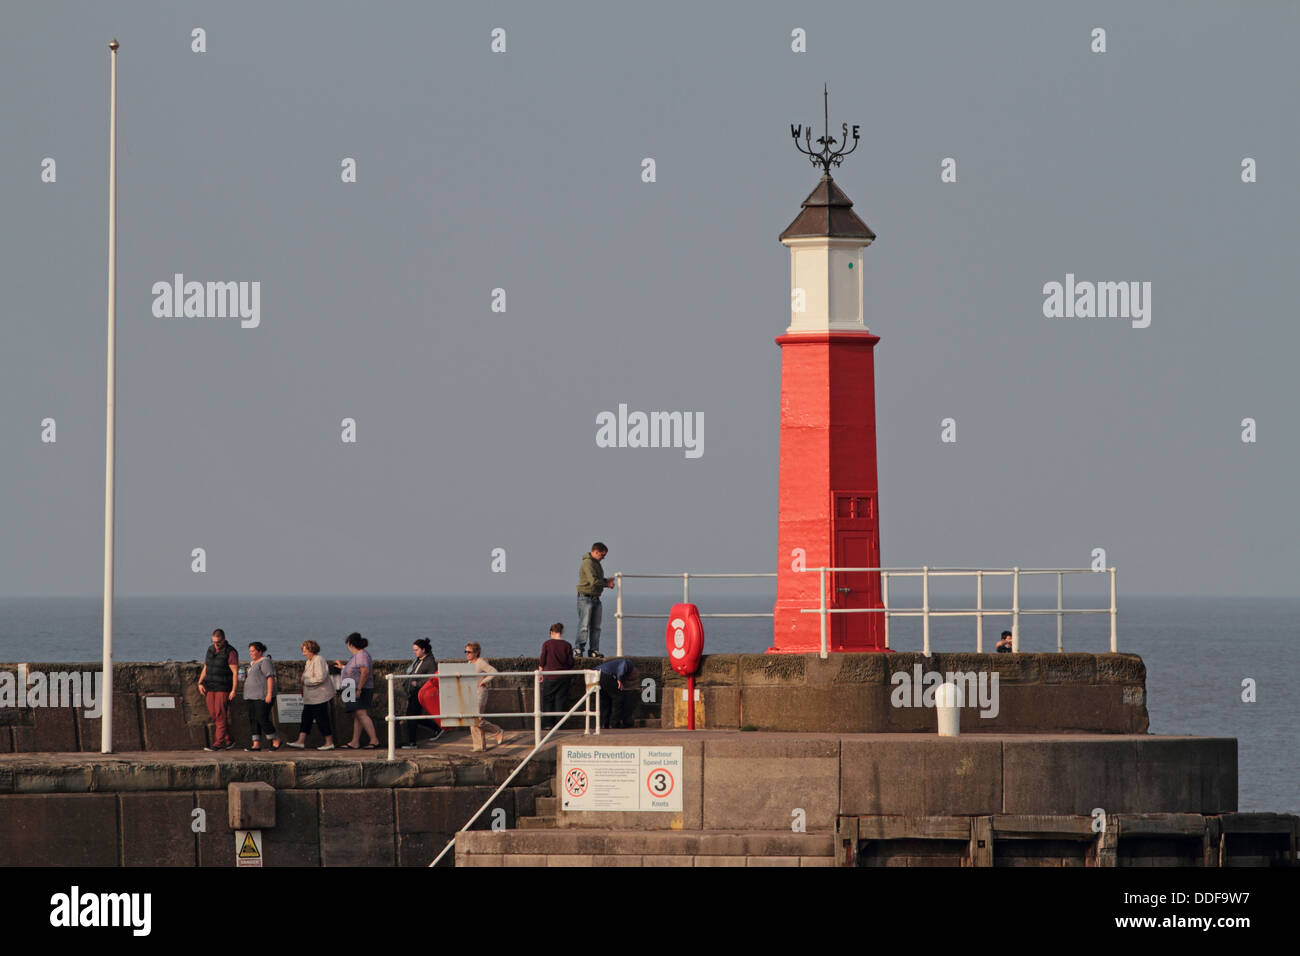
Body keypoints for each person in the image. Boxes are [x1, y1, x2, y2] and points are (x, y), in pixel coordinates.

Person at [287, 640, 336, 750]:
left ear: (312, 649)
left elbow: (320, 678)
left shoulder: (318, 660)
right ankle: (300, 741)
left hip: (319, 696)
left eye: (305, 651)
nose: (304, 653)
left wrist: (306, 682)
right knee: (306, 718)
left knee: (322, 718)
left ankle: (329, 742)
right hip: (310, 698)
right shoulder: (309, 661)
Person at [334, 633, 379, 749]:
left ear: (350, 644)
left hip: (359, 688)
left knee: (361, 714)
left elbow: (365, 672)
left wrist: (359, 689)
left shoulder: (362, 655)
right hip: (351, 687)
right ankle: (355, 741)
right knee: (357, 715)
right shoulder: (357, 656)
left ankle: (374, 740)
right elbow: (354, 670)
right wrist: (343, 667)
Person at [198, 628, 239, 751]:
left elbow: (235, 672)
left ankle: (219, 743)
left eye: (218, 642)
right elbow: (206, 667)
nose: (216, 644)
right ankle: (229, 740)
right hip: (210, 686)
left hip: (223, 687)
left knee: (220, 715)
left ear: (224, 640)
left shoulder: (230, 652)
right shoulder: (210, 650)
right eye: (214, 642)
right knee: (214, 715)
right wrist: (200, 682)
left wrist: (233, 690)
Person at [400, 638, 442, 749]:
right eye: (414, 650)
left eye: (417, 650)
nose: (415, 652)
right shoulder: (418, 660)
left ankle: (412, 743)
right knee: (416, 716)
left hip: (420, 692)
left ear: (423, 649)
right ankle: (437, 728)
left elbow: (432, 677)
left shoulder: (430, 662)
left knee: (411, 715)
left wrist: (417, 683)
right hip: (414, 692)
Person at [576, 542, 615, 658]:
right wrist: (607, 583)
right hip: (585, 598)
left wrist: (606, 580)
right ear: (596, 552)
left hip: (595, 598)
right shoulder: (588, 563)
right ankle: (578, 649)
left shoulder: (596, 563)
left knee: (596, 627)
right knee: (584, 625)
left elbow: (596, 579)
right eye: (602, 555)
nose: (603, 558)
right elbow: (593, 580)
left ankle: (594, 650)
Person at [465, 641, 503, 752]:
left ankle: (497, 731)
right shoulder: (468, 664)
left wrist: (483, 681)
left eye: (469, 652)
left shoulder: (480, 662)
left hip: (480, 692)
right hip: (471, 693)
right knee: (472, 721)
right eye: (466, 651)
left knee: (477, 719)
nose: (467, 654)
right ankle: (479, 746)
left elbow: (494, 672)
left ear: (476, 652)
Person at [243, 642, 281, 751]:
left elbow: (270, 677)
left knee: (262, 717)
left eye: (253, 651)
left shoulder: (265, 661)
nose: (251, 653)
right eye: (250, 651)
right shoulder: (252, 664)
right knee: (253, 719)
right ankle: (256, 744)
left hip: (262, 695)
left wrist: (269, 694)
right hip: (251, 696)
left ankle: (275, 739)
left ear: (260, 651)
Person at [537, 622, 575, 730]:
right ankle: (560, 724)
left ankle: (547, 724)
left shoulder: (547, 644)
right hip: (563, 677)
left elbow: (542, 659)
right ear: (561, 632)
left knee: (548, 700)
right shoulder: (567, 645)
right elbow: (570, 662)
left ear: (552, 632)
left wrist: (540, 671)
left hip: (550, 676)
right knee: (560, 701)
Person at [596, 658, 639, 729]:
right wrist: (619, 678)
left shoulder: (620, 669)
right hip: (605, 674)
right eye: (631, 678)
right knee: (618, 697)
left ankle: (605, 723)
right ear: (634, 672)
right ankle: (614, 723)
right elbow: (623, 665)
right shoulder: (629, 664)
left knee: (606, 700)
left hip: (596, 674)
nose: (629, 679)